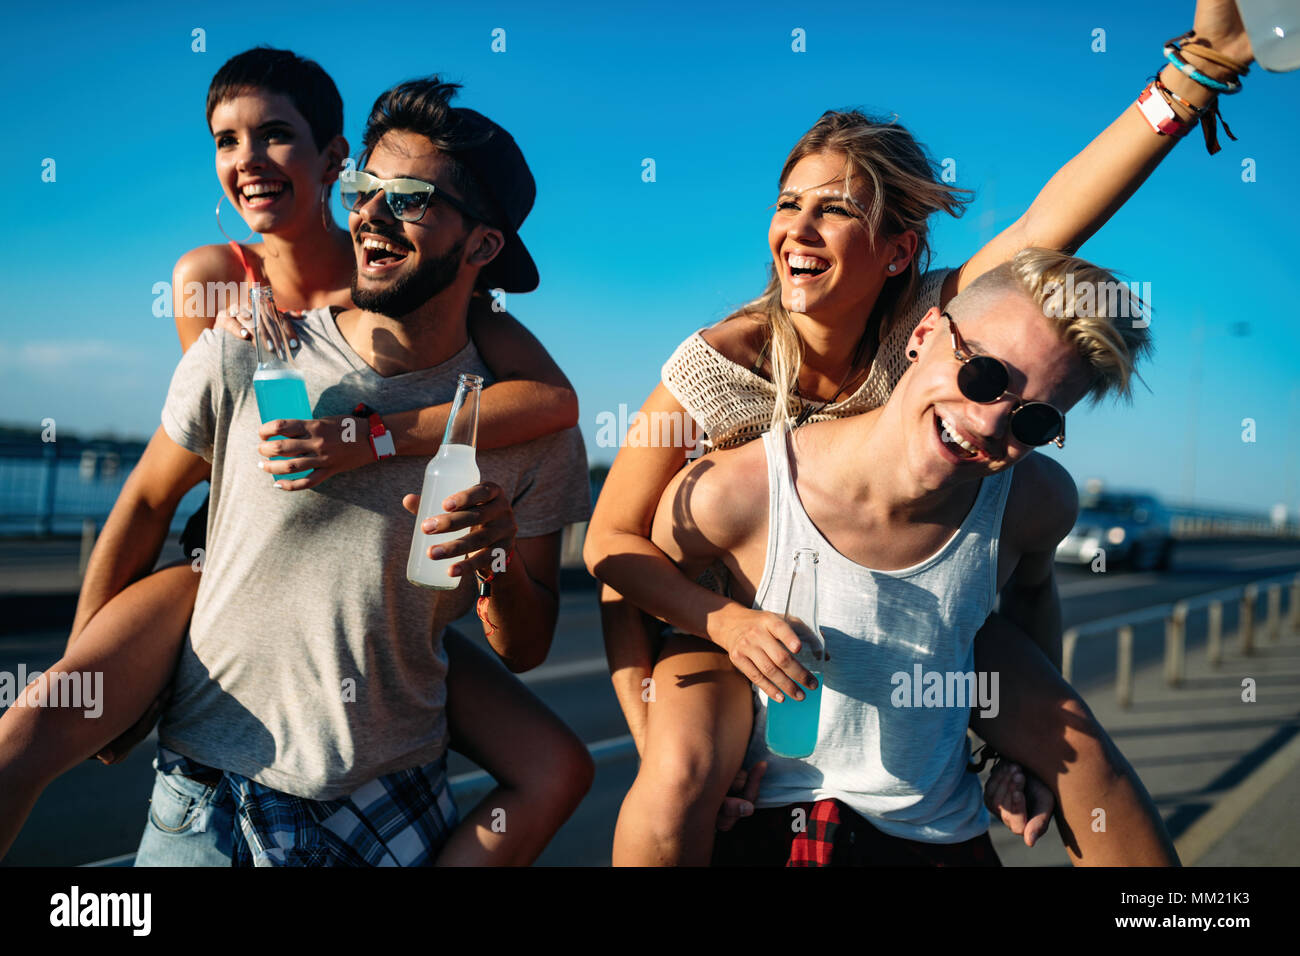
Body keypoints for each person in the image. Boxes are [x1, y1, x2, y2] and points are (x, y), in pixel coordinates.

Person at [587, 0, 1255, 865]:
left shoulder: (930, 319)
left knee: (1075, 744)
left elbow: (1051, 225)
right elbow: (611, 545)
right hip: (735, 613)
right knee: (677, 781)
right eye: (790, 203)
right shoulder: (722, 362)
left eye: (835, 211)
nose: (799, 226)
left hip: (918, 600)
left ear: (898, 254)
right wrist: (706, 648)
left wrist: (1194, 76)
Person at [0, 71, 592, 866]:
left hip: (393, 804)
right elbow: (144, 502)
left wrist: (494, 565)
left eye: (410, 198)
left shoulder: (528, 430)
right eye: (364, 191)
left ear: (481, 245)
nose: (372, 216)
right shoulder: (246, 345)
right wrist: (91, 687)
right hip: (211, 800)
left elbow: (525, 646)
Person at [651, 248, 1155, 865]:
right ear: (923, 335)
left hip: (942, 836)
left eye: (1034, 418)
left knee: (1093, 763)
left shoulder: (1033, 502)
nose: (992, 422)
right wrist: (676, 769)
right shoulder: (739, 492)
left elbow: (1031, 594)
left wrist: (1019, 753)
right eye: (986, 376)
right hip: (773, 819)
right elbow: (638, 591)